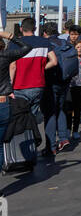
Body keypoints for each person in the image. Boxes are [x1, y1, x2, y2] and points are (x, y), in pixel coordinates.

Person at [7, 16, 58, 144]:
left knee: (19, 117)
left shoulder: (14, 44)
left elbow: (12, 66)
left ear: (21, 29)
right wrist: (41, 68)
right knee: (32, 116)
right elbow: (54, 61)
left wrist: (9, 84)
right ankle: (31, 144)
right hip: (38, 85)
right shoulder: (44, 42)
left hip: (20, 85)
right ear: (35, 28)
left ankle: (22, 145)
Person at [41, 20, 76, 156]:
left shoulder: (47, 44)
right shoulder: (65, 43)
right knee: (60, 109)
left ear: (45, 33)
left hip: (51, 82)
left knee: (50, 113)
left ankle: (51, 146)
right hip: (65, 81)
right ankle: (63, 138)